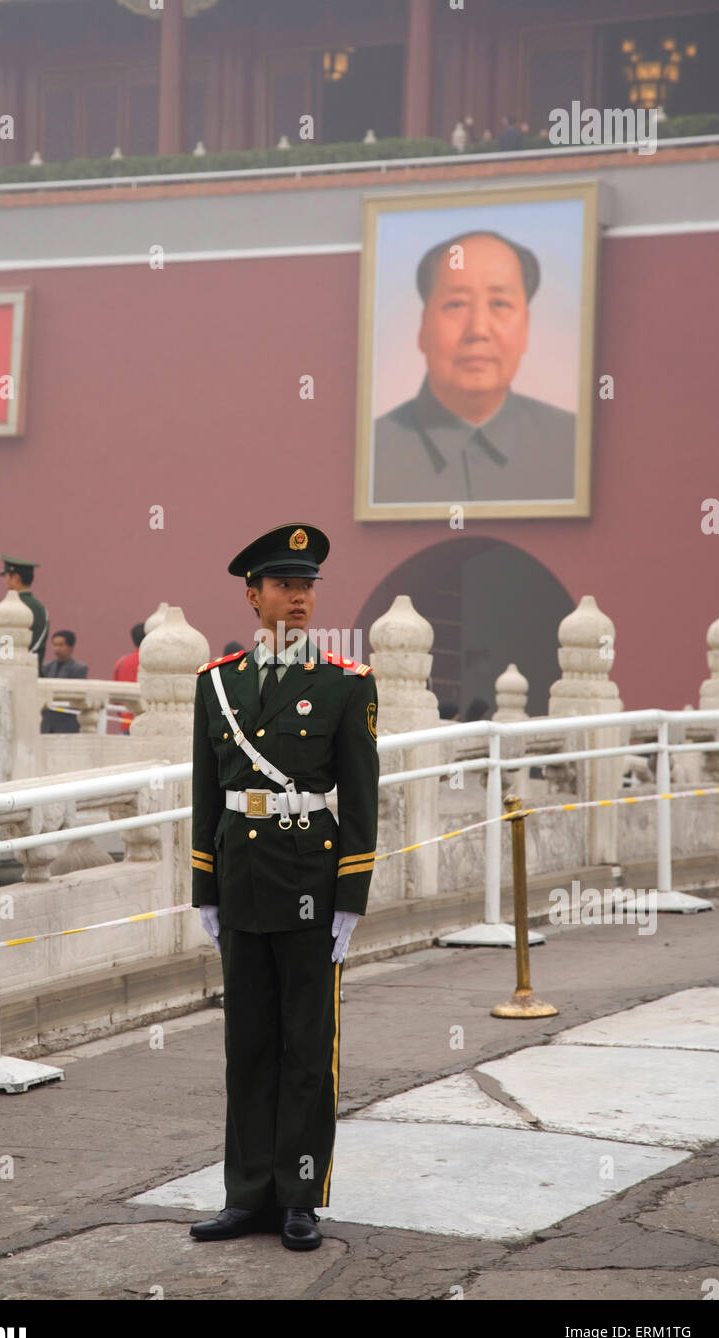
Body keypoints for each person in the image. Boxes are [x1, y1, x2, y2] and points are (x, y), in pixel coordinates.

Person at [190, 523, 379, 1253]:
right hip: (241, 878)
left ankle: (300, 1196)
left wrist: (350, 899)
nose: (299, 597)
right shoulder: (217, 683)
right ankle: (246, 1197)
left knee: (307, 1046)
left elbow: (362, 800)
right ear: (253, 595)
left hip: (309, 875)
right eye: (284, 586)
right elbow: (206, 793)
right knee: (249, 1045)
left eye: (307, 587)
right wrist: (204, 887)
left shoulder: (344, 683)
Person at [373, 229, 576, 505]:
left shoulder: (573, 446)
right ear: (422, 329)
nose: (478, 330)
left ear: (526, 328)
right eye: (456, 304)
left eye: (500, 304)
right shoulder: (372, 452)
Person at [0, 554, 49, 673]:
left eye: (6, 576)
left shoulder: (11, 607)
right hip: (34, 672)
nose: (4, 580)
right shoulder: (41, 608)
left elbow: (6, 649)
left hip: (15, 672)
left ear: (15, 577)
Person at [40, 630, 88, 733]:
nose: (57, 649)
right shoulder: (45, 667)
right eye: (55, 645)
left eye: (61, 645)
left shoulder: (79, 669)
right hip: (47, 723)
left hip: (67, 723)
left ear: (71, 647)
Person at [112, 622, 145, 733]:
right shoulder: (154, 663)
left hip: (125, 723)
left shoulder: (121, 663)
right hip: (147, 725)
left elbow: (115, 696)